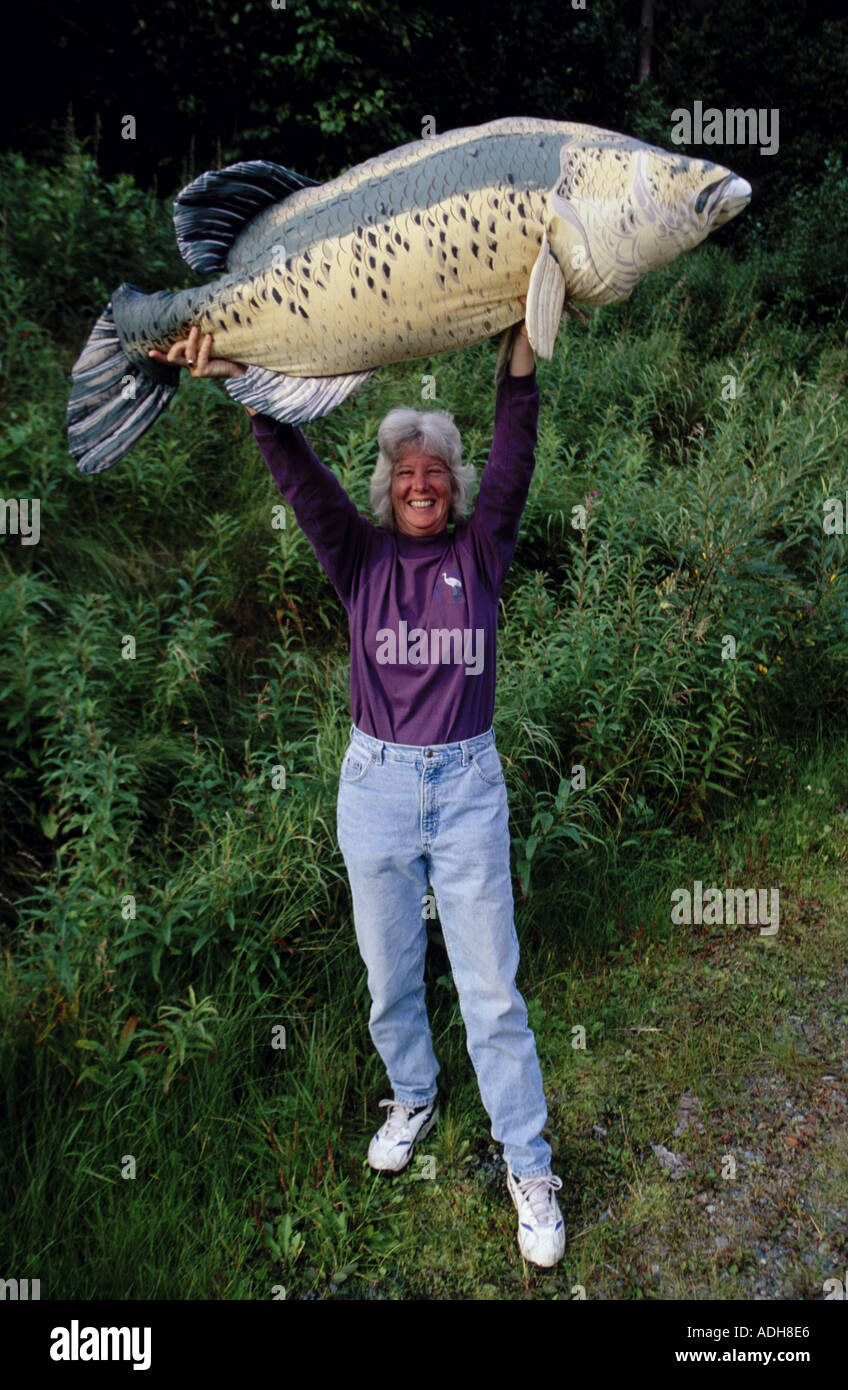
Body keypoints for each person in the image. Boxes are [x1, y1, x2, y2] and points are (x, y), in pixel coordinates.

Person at [149, 316, 565, 1268]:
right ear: (387, 487)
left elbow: (517, 448)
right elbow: (291, 465)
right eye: (404, 471)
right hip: (375, 784)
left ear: (456, 489)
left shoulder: (483, 551)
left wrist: (521, 355)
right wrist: (238, 375)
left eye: (437, 472)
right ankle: (412, 1095)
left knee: (491, 986)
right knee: (389, 974)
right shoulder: (358, 556)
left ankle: (528, 1162)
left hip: (467, 785)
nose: (421, 483)